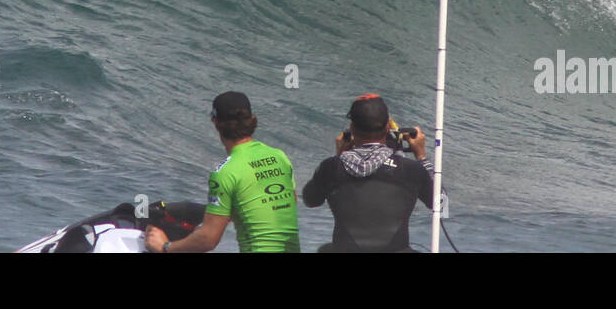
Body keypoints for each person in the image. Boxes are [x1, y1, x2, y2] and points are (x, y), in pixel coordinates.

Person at [144, 91, 300, 253]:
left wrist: (165, 247)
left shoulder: (225, 172)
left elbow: (208, 240)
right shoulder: (280, 157)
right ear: (252, 119)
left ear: (216, 122)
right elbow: (287, 204)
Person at [301, 93, 434, 252]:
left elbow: (310, 201)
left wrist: (339, 155)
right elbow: (440, 203)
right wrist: (421, 156)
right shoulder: (411, 169)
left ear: (351, 129)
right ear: (387, 128)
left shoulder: (331, 167)